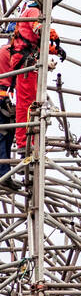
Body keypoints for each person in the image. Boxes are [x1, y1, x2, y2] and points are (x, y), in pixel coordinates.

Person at [9, 0, 65, 161]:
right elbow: (39, 30)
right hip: (26, 66)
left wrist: (55, 49)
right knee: (26, 105)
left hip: (30, 63)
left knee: (31, 104)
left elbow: (36, 42)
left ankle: (30, 142)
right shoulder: (33, 11)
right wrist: (52, 34)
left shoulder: (29, 11)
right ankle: (23, 144)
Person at [0, 41, 15, 189]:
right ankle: (3, 174)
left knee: (7, 137)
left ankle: (5, 174)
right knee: (2, 136)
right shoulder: (7, 50)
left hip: (6, 99)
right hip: (2, 99)